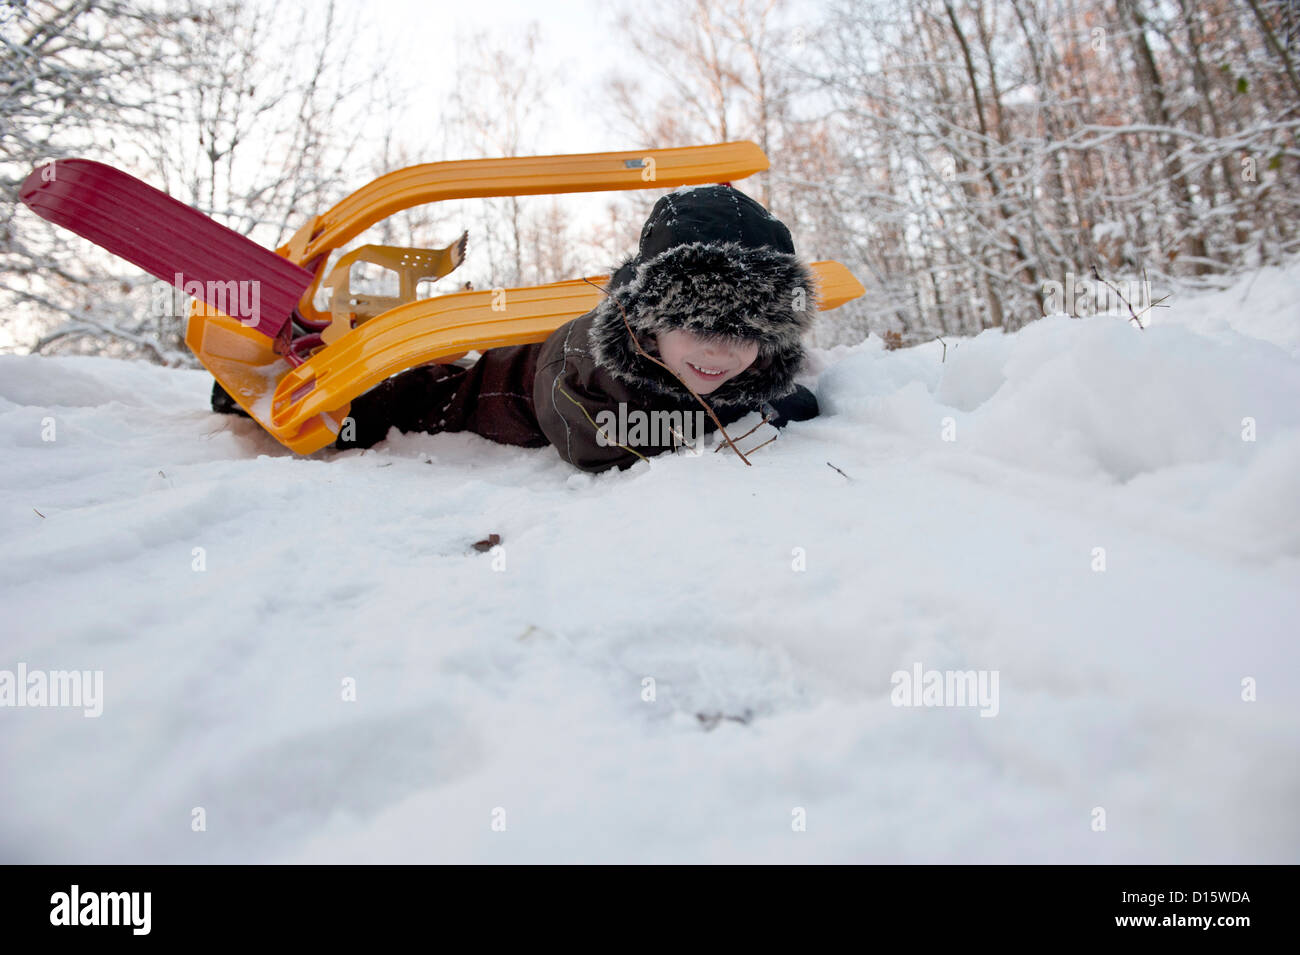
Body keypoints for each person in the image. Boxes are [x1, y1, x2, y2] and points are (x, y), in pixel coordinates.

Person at [218, 184, 820, 472]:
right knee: (409, 402)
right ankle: (293, 373)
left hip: (530, 351)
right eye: (696, 326)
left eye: (744, 333)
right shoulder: (591, 370)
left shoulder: (742, 357)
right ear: (647, 317)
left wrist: (768, 395)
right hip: (501, 391)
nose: (719, 350)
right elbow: (592, 441)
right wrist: (751, 415)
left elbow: (762, 380)